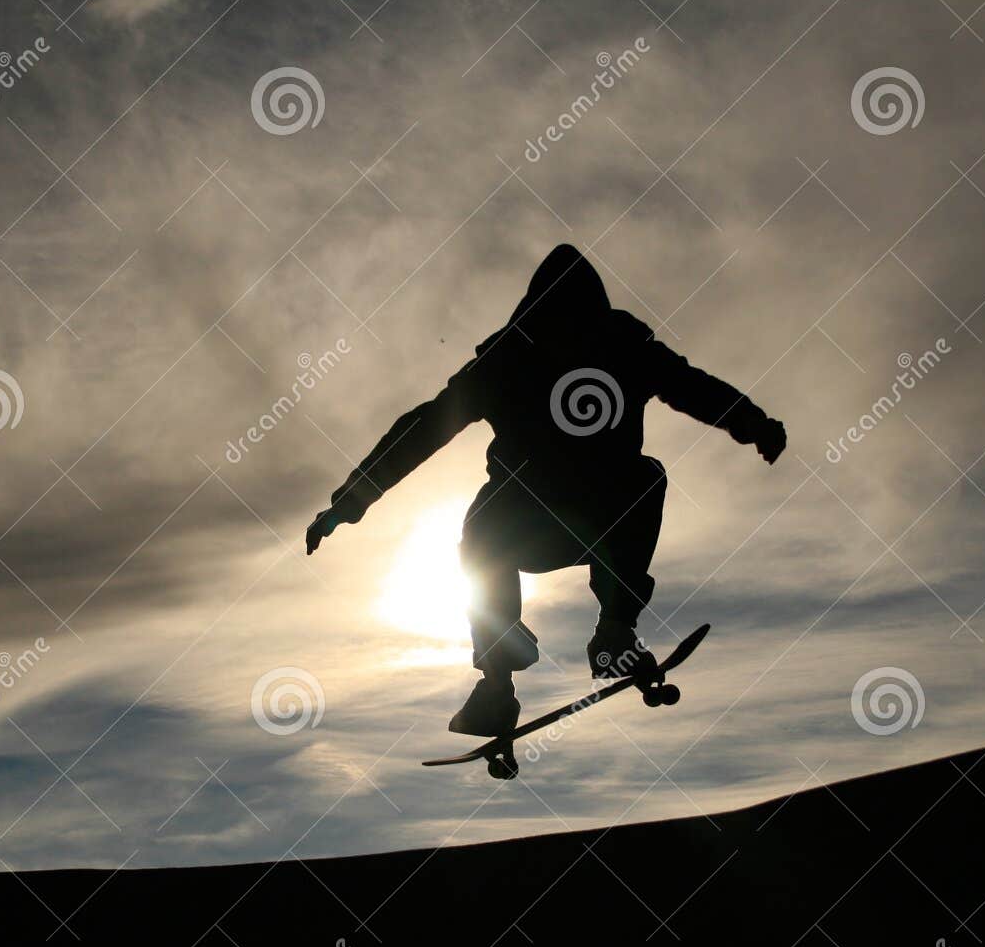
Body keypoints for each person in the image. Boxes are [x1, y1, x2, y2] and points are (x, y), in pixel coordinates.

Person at [306, 245, 785, 737]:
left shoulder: (518, 357)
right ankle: (569, 649)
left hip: (543, 529)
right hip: (584, 524)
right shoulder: (608, 347)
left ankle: (529, 669)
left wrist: (350, 501)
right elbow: (693, 388)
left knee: (516, 517)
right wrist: (754, 424)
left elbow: (424, 428)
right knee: (632, 483)